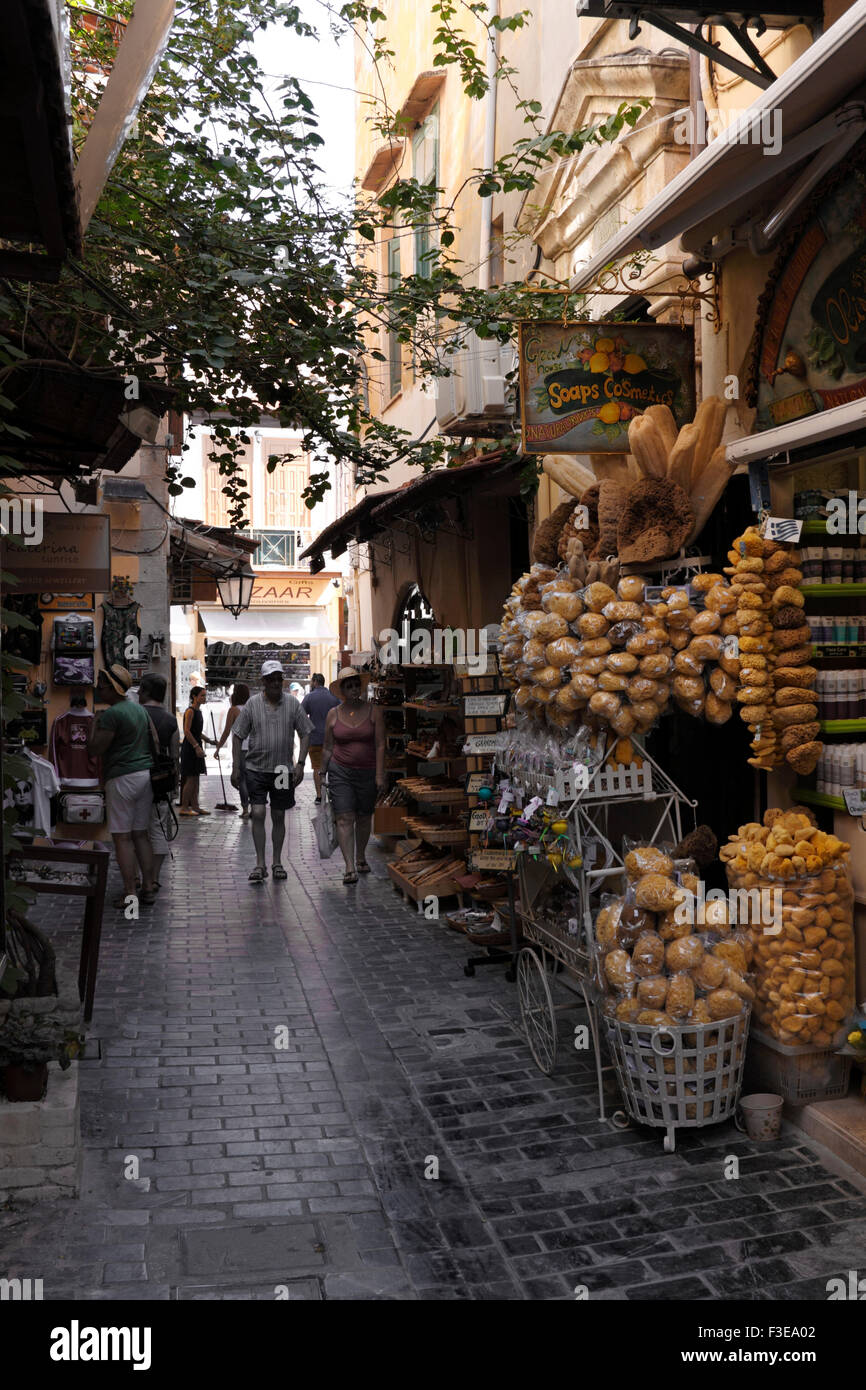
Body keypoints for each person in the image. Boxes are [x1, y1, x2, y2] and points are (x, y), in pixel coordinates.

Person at [231, 660, 313, 883]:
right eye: (271, 679)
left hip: (280, 769)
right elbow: (237, 734)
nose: (276, 683)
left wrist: (301, 763)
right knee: (257, 813)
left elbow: (305, 732)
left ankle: (277, 861)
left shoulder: (293, 704)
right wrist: (236, 767)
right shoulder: (252, 704)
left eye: (279, 679)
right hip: (256, 768)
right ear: (264, 681)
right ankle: (260, 863)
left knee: (278, 814)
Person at [87, 663, 157, 909]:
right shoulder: (139, 710)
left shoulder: (112, 714)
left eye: (102, 685)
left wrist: (94, 724)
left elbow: (95, 749)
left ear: (113, 689)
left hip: (122, 778)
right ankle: (148, 887)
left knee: (122, 838)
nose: (98, 689)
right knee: (141, 835)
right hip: (144, 775)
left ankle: (130, 893)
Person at [320, 668, 386, 886]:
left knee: (364, 817)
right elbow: (328, 747)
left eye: (356, 685)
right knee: (345, 817)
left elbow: (380, 745)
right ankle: (349, 866)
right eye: (349, 686)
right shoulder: (333, 714)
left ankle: (360, 856)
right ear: (342, 690)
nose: (354, 689)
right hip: (340, 771)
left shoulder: (373, 711)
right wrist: (322, 773)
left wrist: (379, 774)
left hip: (367, 771)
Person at [140, 671, 179, 891]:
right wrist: (175, 786)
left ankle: (139, 878)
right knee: (158, 830)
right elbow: (175, 756)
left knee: (136, 832)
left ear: (145, 691)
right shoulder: (171, 720)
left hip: (134, 777)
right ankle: (153, 878)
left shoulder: (135, 714)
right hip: (160, 782)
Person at [214, 682, 251, 816]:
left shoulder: (234, 710)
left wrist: (218, 747)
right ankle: (253, 806)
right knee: (251, 779)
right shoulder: (251, 708)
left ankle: (246, 809)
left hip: (241, 749)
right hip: (253, 749)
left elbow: (226, 731)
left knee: (241, 780)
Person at [301, 673, 339, 803]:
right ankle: (334, 795)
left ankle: (319, 796)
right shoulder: (334, 697)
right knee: (333, 767)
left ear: (315, 682)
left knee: (317, 767)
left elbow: (301, 715)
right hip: (333, 739)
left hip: (315, 738)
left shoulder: (309, 697)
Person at [179, 687, 213, 816]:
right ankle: (184, 807)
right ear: (194, 696)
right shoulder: (190, 711)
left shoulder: (199, 711)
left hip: (196, 746)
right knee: (191, 778)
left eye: (205, 695)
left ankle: (195, 806)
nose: (205, 698)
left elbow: (197, 732)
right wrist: (196, 746)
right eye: (202, 696)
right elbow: (187, 731)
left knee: (196, 778)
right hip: (190, 748)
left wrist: (209, 740)